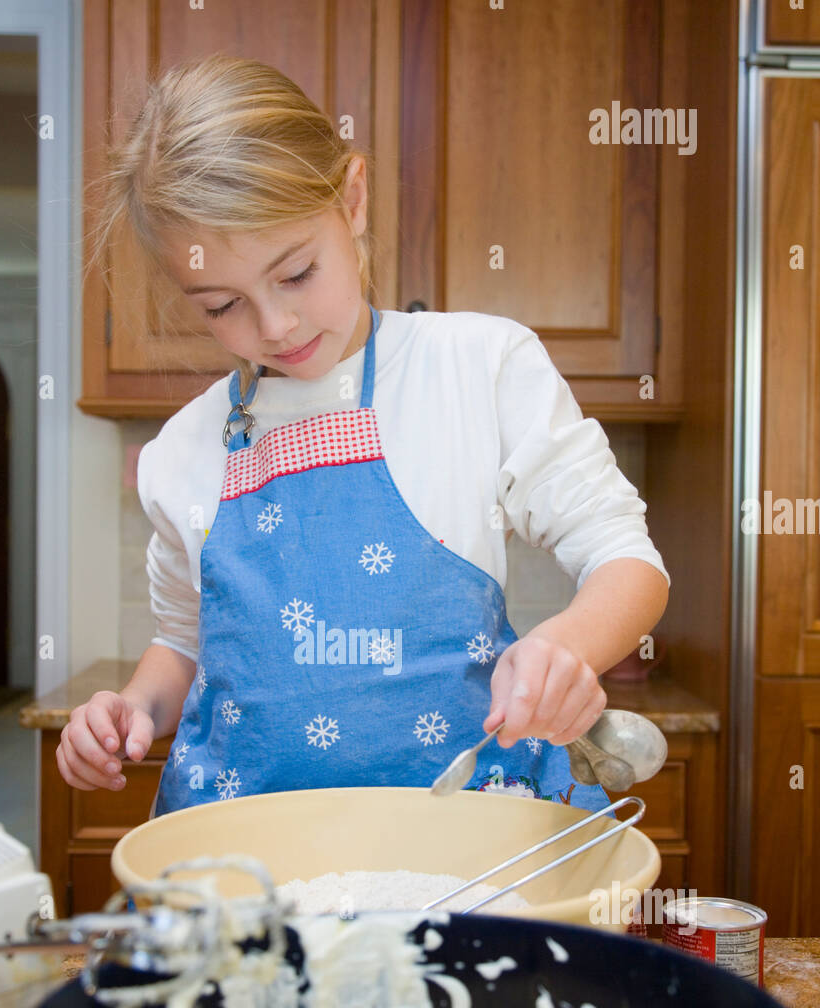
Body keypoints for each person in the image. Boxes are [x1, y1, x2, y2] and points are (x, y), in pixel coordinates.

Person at [58, 54, 669, 818]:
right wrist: (133, 712)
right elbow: (183, 644)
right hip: (254, 871)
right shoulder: (184, 450)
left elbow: (627, 560)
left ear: (352, 200)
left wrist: (567, 646)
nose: (274, 327)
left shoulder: (478, 367)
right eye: (222, 306)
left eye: (296, 273)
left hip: (468, 846)